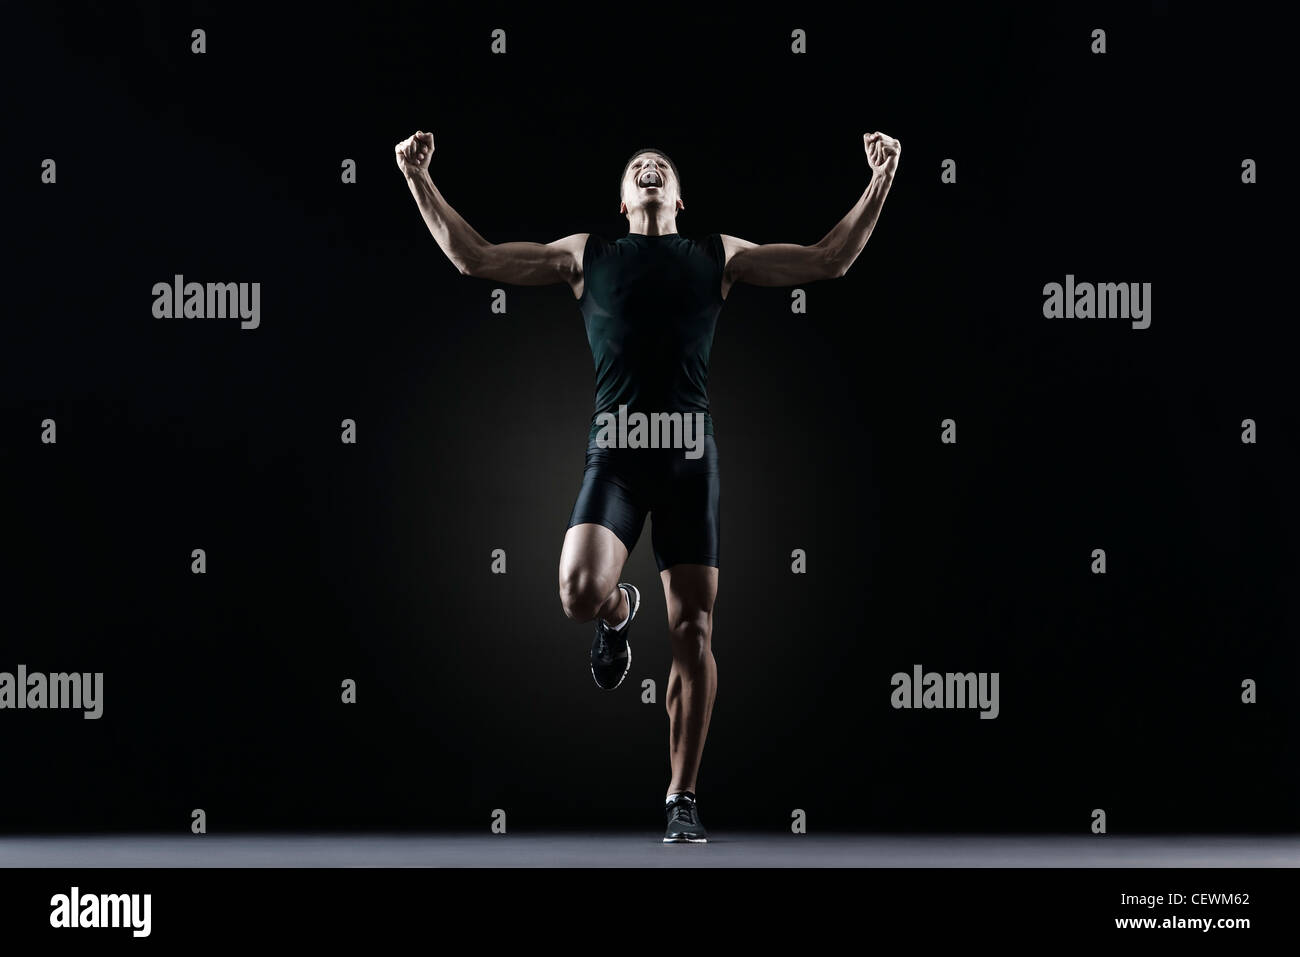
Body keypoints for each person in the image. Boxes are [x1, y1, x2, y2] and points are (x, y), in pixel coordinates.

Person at [395, 131, 900, 843]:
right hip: (618, 456)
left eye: (661, 166)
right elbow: (473, 257)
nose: (650, 167)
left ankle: (681, 796)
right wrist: (418, 177)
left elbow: (830, 259)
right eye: (637, 168)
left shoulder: (717, 255)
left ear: (679, 198)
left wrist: (882, 178)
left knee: (694, 630)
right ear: (625, 200)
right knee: (575, 592)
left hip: (691, 461)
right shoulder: (586, 255)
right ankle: (615, 612)